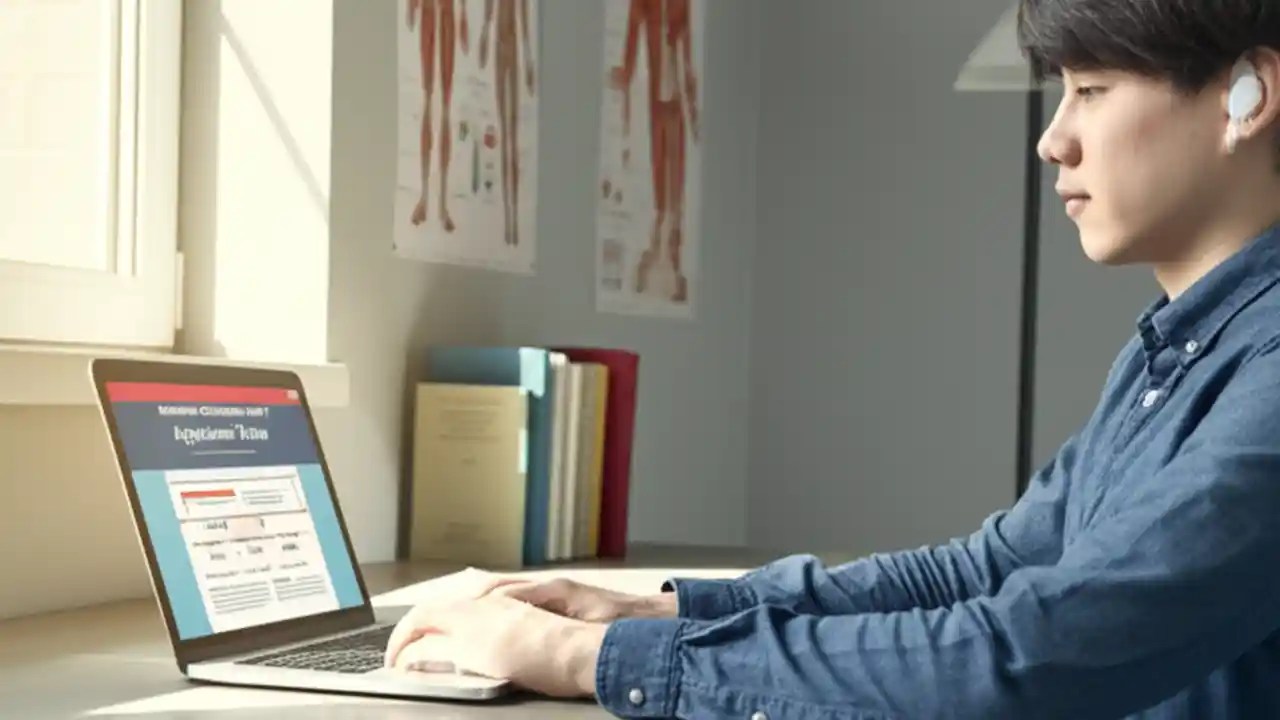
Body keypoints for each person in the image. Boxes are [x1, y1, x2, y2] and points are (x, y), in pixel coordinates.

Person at [384, 0, 1280, 717]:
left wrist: (589, 659)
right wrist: (654, 610)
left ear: (1250, 93)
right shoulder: (1177, 352)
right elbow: (984, 573)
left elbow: (1042, 652)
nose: (1054, 138)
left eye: (1092, 89)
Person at [610, 0, 700, 303]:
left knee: (676, 198)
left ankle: (673, 265)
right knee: (661, 198)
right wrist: (621, 97)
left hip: (675, 108)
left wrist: (696, 109)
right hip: (657, 109)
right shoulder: (642, 6)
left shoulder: (681, 6)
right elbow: (630, 57)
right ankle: (650, 259)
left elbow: (687, 61)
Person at [478, 0, 535, 247]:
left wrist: (529, 62)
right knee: (504, 137)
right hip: (499, 49)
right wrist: (482, 37)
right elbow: (488, 14)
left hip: (512, 48)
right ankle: (507, 218)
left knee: (512, 136)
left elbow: (524, 20)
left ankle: (515, 219)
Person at [407, 0, 467, 232]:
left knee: (444, 106)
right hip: (430, 13)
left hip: (447, 13)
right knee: (428, 101)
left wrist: (463, 16)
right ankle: (424, 196)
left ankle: (441, 204)